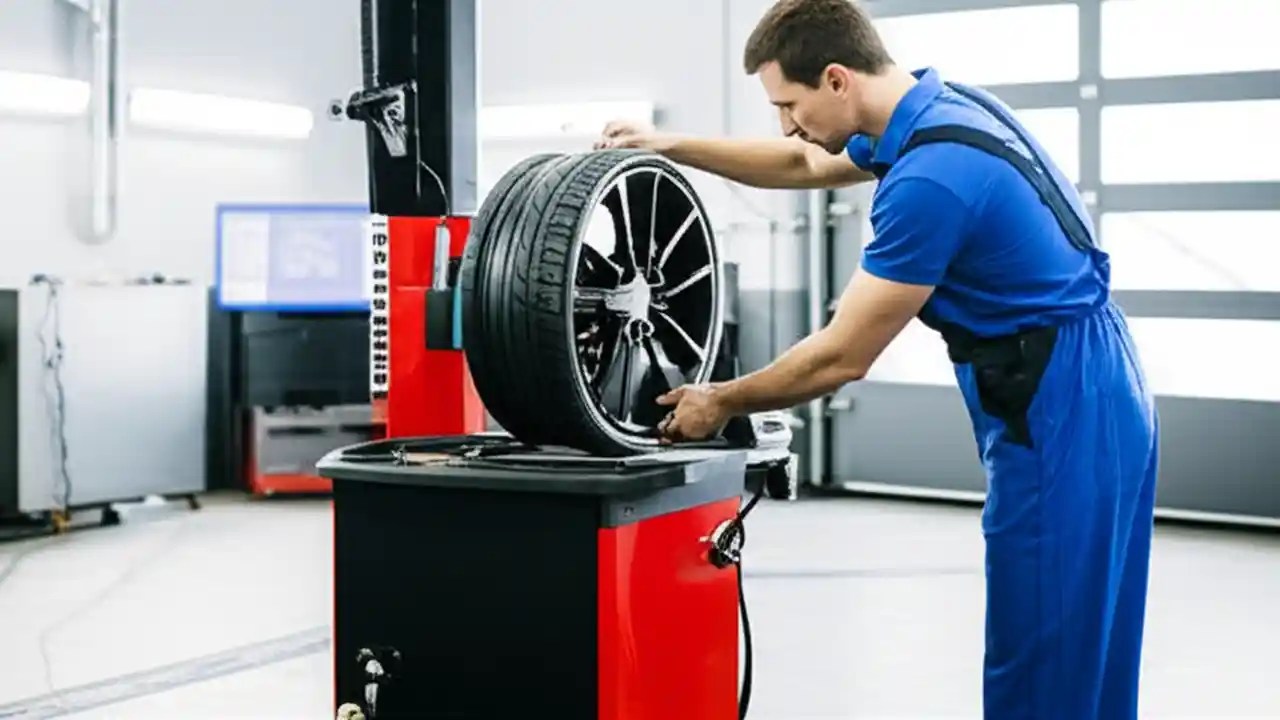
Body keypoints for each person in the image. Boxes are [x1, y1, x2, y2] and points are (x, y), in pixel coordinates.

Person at [596, 0, 1160, 718]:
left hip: (1063, 401)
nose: (785, 123)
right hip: (1100, 379)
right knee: (1089, 644)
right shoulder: (936, 109)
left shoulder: (929, 179)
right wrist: (669, 145)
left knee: (1044, 646)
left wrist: (723, 399)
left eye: (788, 103)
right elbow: (804, 160)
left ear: (837, 79)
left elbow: (840, 356)